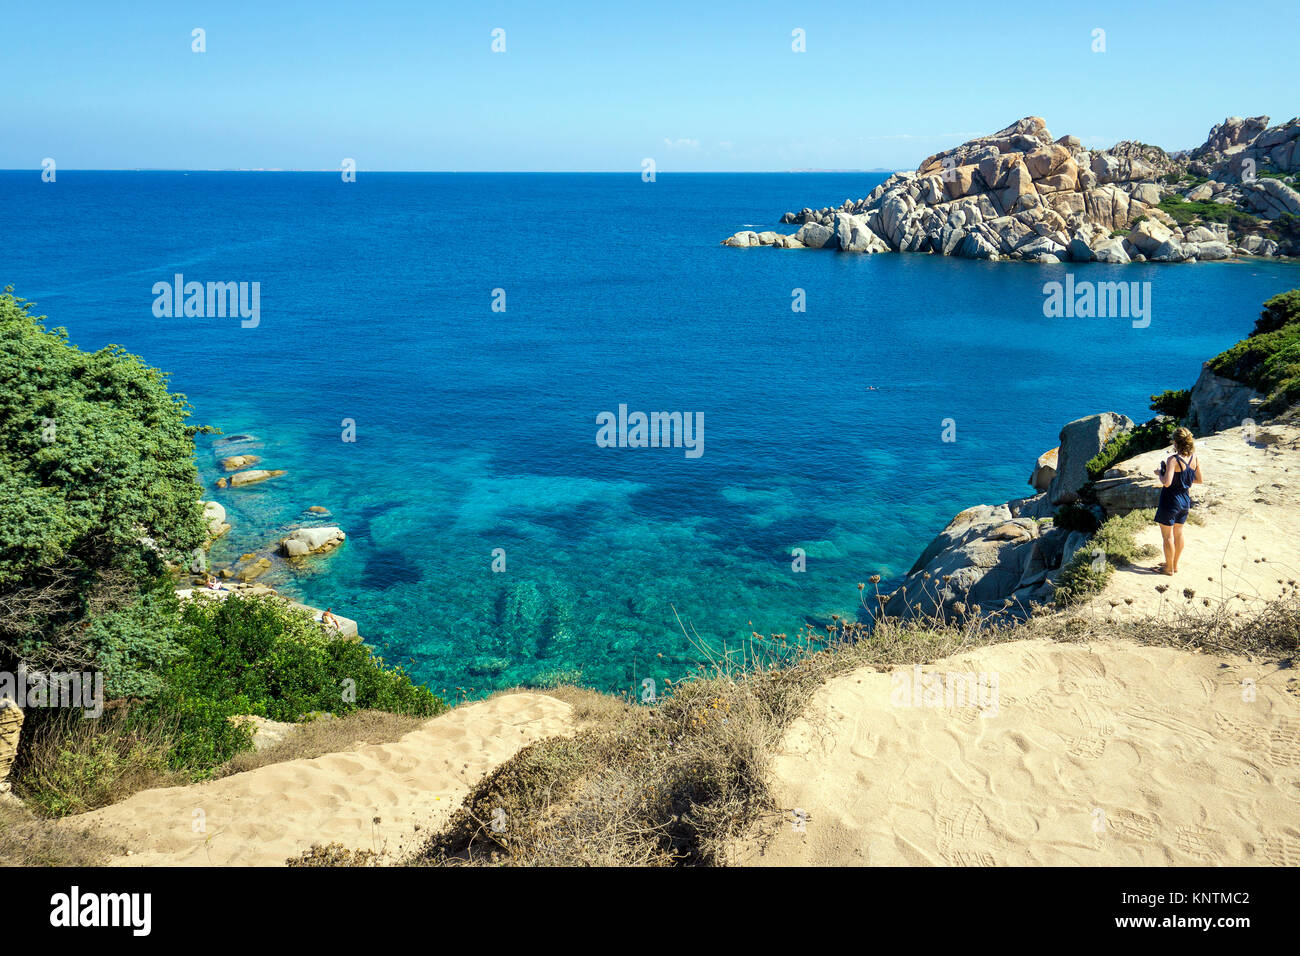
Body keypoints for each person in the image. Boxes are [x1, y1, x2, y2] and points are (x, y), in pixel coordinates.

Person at [1153, 426, 1203, 575]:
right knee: (1178, 533)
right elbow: (1199, 480)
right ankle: (1174, 565)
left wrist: (1159, 474)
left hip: (1170, 501)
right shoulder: (1194, 458)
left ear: (1175, 442)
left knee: (1167, 536)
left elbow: (1166, 482)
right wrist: (1183, 480)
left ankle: (1168, 569)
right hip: (1185, 501)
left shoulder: (1173, 460)